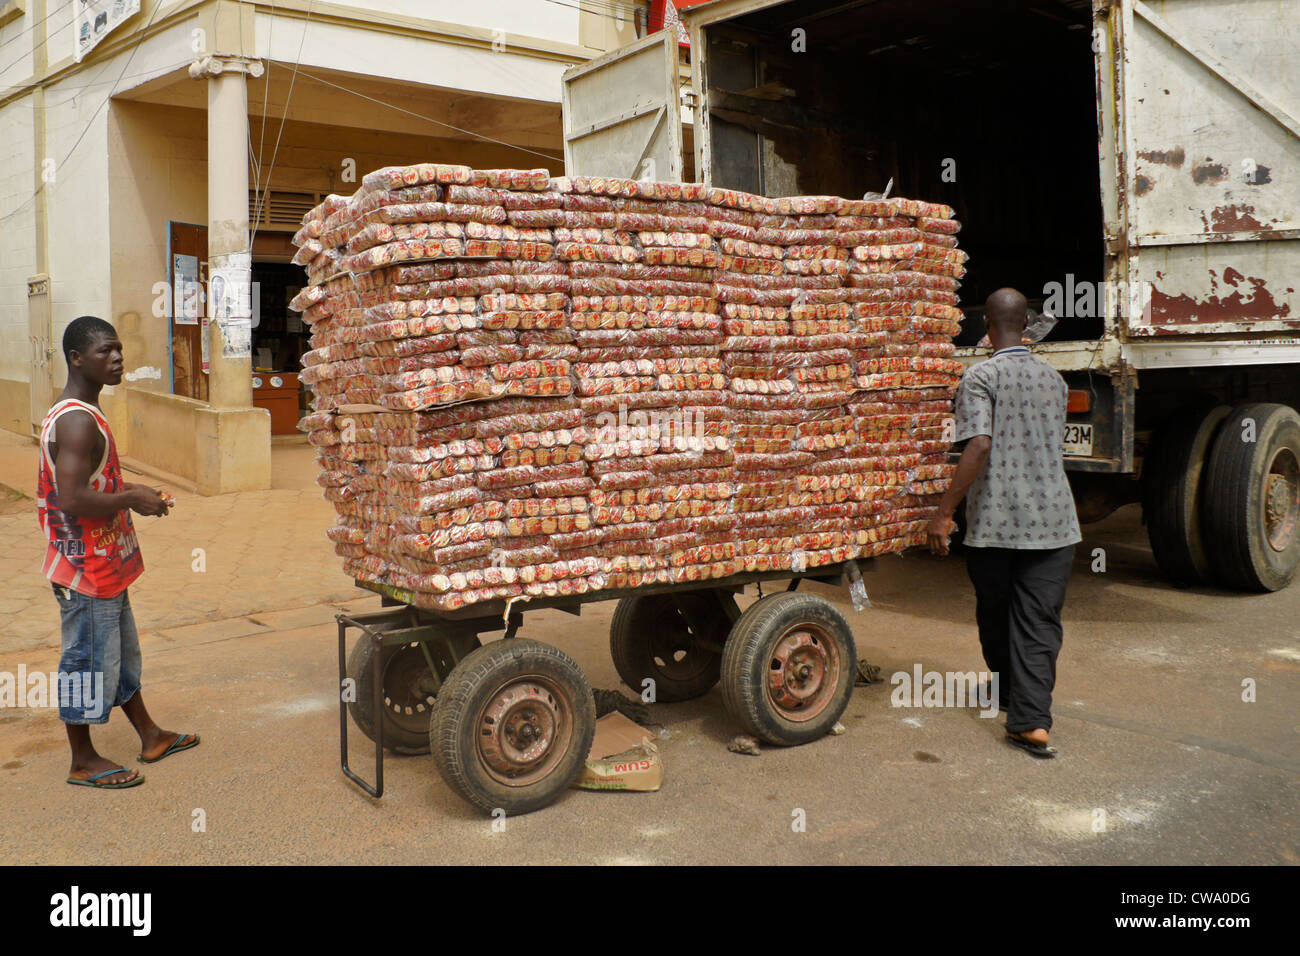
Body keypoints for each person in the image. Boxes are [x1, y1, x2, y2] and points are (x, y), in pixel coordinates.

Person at [38, 315, 199, 789]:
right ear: (76, 358)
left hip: (105, 563)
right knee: (86, 660)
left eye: (119, 351)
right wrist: (129, 499)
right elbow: (69, 499)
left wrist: (133, 490)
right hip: (83, 569)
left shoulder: (85, 412)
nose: (117, 359)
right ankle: (82, 760)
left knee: (121, 656)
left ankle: (150, 735)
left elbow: (89, 482)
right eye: (106, 351)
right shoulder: (75, 421)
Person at [926, 289, 1081, 758]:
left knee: (995, 613)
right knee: (1038, 621)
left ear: (988, 326)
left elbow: (978, 446)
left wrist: (945, 510)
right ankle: (1025, 713)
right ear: (1026, 323)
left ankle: (1025, 713)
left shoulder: (981, 376)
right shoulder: (1054, 379)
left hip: (996, 524)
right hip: (1055, 523)